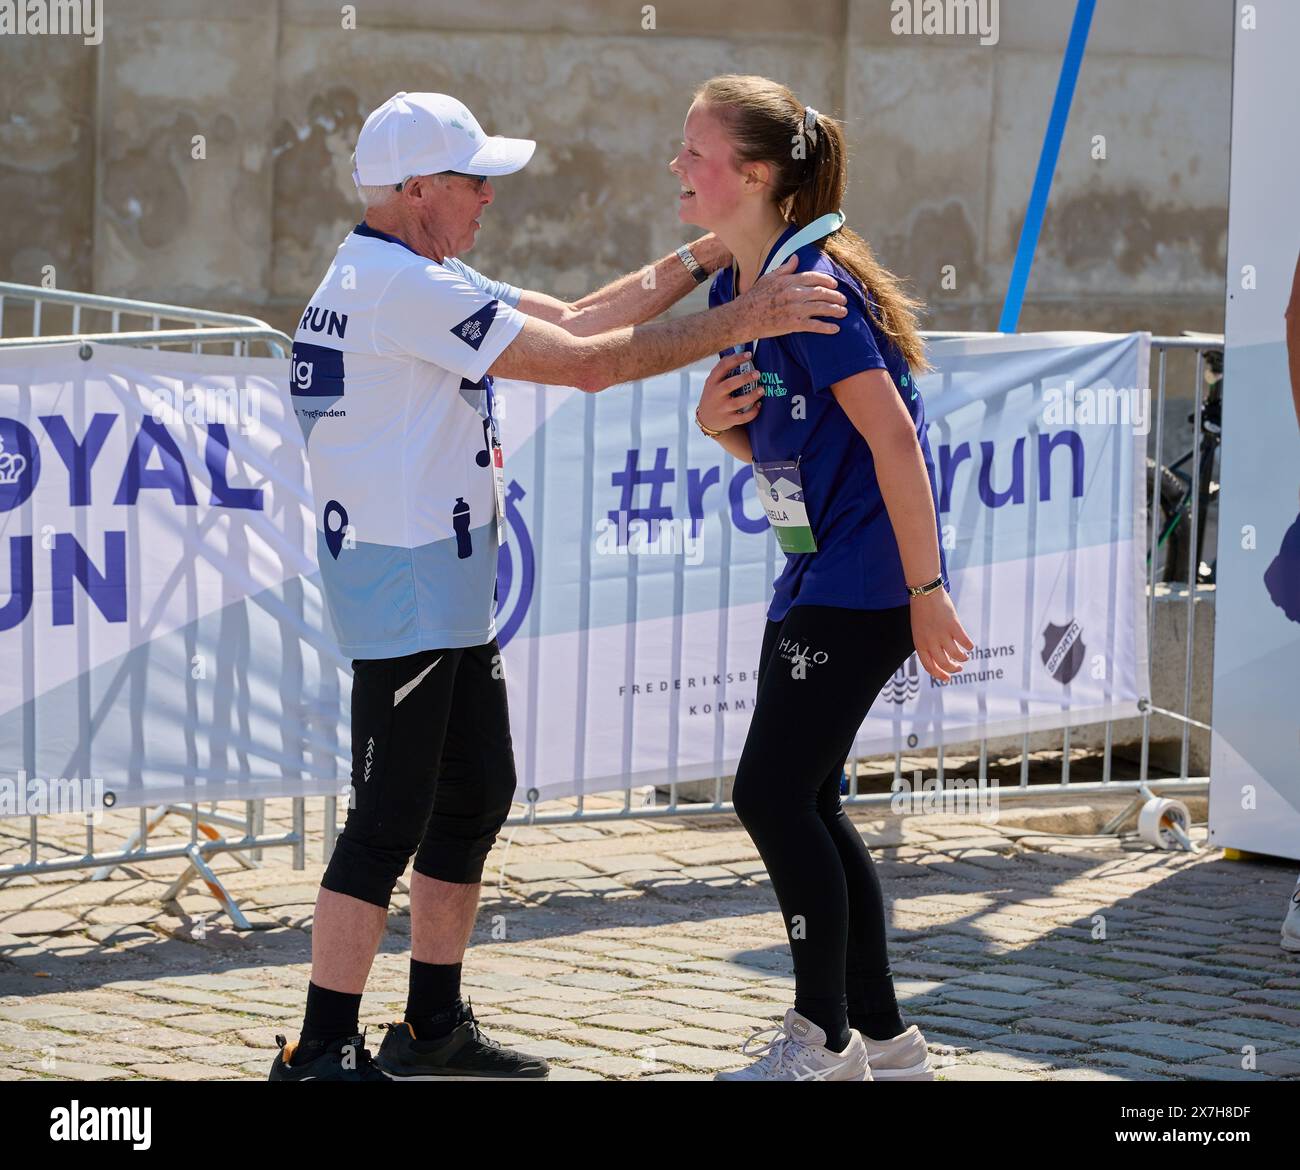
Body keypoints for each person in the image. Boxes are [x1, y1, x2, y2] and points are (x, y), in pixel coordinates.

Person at [269, 91, 850, 1082]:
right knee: (385, 820)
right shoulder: (401, 287)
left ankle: (433, 1028)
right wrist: (747, 315)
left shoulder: (412, 268)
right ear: (415, 190)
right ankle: (320, 1050)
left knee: (473, 798)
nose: (490, 195)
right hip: (402, 585)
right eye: (473, 178)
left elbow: (583, 314)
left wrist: (715, 253)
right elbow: (586, 365)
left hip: (440, 583)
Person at [671, 75, 974, 1081]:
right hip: (814, 575)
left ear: (753, 176)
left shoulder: (815, 291)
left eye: (695, 152)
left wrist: (927, 595)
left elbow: (896, 442)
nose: (678, 168)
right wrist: (722, 428)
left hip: (868, 579)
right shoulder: (736, 293)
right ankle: (886, 1043)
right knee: (805, 797)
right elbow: (784, 448)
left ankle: (819, 1037)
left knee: (772, 794)